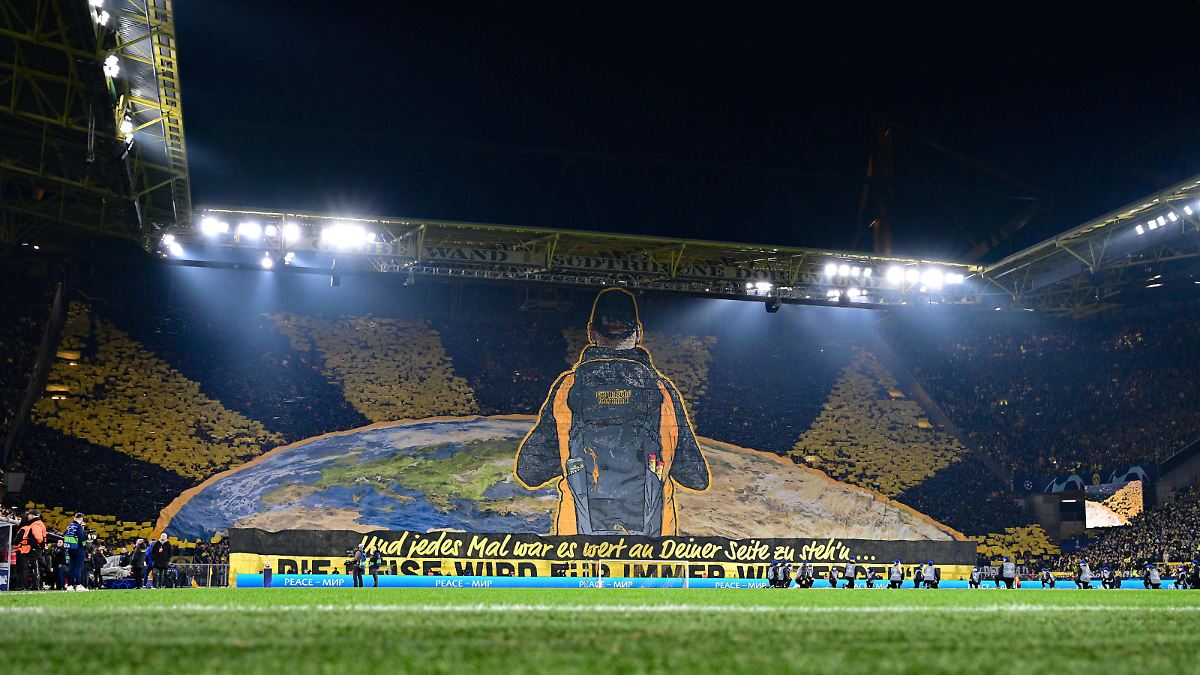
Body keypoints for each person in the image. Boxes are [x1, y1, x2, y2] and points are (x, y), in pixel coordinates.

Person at [515, 289, 711, 536]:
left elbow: (530, 471)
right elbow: (696, 478)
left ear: (591, 333)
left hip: (578, 544)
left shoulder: (567, 389)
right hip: (651, 546)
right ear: (638, 333)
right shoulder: (663, 391)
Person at [13, 510, 47, 591]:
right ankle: (35, 585)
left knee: (33, 567)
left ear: (32, 515)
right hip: (34, 548)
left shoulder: (35, 524)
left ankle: (35, 585)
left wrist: (38, 545)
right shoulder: (37, 523)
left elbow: (38, 538)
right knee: (33, 567)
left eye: (29, 515)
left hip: (33, 549)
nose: (28, 517)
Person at [63, 513, 89, 591]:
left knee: (71, 567)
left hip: (70, 548)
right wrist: (87, 537)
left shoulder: (69, 526)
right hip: (78, 549)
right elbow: (81, 538)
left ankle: (70, 585)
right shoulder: (78, 526)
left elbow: (65, 535)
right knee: (78, 567)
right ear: (81, 519)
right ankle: (78, 584)